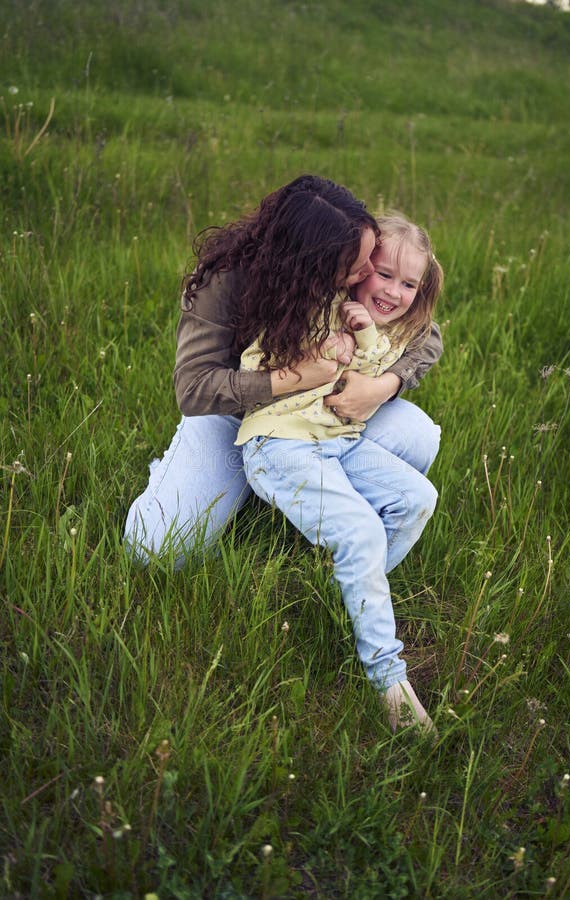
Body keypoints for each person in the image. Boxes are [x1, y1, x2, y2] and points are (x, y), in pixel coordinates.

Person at [123, 177, 442, 577]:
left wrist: (382, 387)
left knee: (419, 435)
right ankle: (222, 483)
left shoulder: (353, 274)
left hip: (321, 420)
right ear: (311, 264)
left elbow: (426, 331)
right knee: (156, 551)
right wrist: (294, 378)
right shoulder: (225, 283)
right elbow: (194, 389)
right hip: (236, 418)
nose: (367, 274)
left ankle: (319, 523)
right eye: (358, 266)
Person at [239, 214, 443, 732]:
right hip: (281, 442)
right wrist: (321, 343)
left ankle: (343, 596)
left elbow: (391, 359)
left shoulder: (394, 325)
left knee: (418, 497)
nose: (395, 291)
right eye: (385, 274)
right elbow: (263, 352)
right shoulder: (318, 298)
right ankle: (387, 679)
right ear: (358, 269)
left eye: (409, 282)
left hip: (337, 442)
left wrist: (367, 334)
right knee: (360, 531)